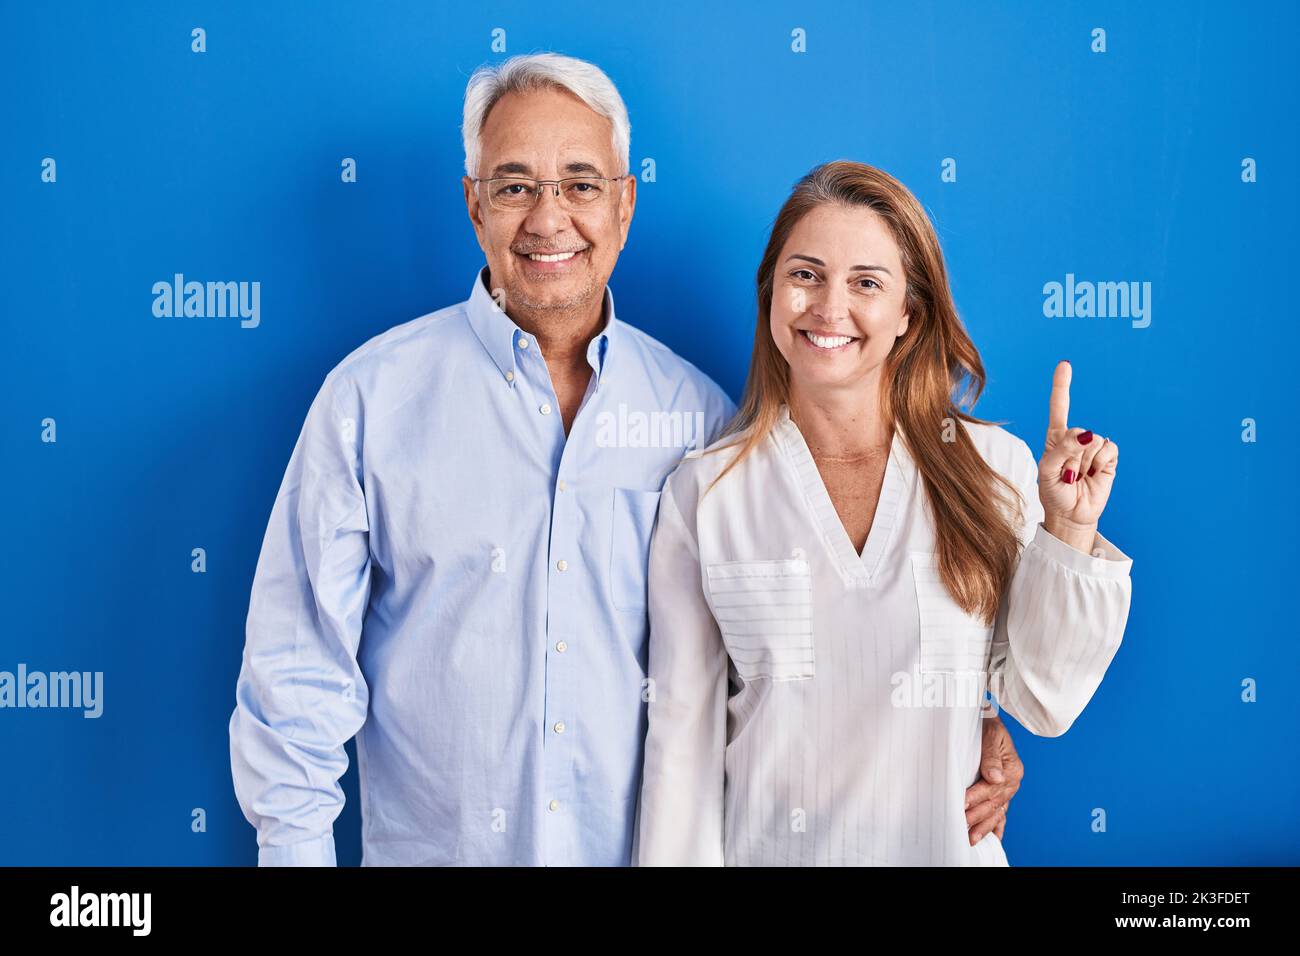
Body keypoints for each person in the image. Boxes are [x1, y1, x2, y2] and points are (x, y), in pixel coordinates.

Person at [228, 51, 1022, 867]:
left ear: (624, 204)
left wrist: (969, 717)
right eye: (514, 187)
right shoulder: (369, 403)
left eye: (580, 184)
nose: (549, 219)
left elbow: (806, 657)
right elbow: (296, 680)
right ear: (474, 205)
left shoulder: (702, 424)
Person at [634, 160, 1133, 866]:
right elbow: (681, 749)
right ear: (771, 293)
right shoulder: (706, 494)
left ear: (909, 314)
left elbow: (1043, 698)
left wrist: (1070, 527)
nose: (829, 307)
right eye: (805, 274)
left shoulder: (992, 469)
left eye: (866, 282)